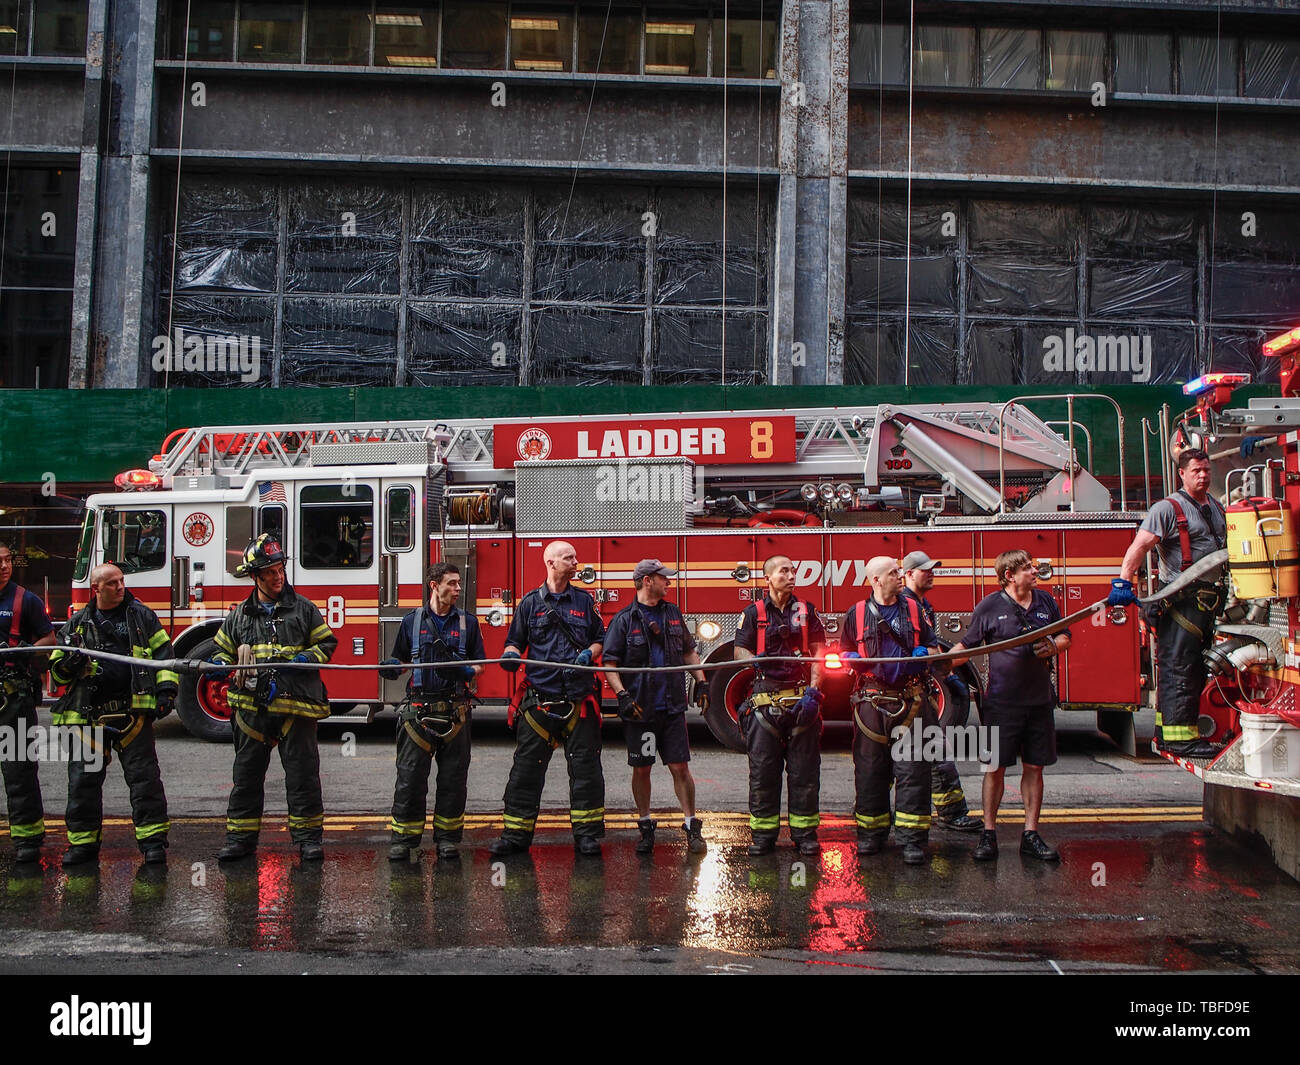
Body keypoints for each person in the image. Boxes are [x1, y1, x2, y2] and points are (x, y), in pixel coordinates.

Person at [211, 534, 336, 862]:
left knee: (303, 775)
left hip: (297, 706)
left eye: (280, 569)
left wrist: (307, 659)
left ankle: (308, 840)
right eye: (269, 572)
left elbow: (326, 644)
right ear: (255, 577)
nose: (278, 576)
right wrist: (221, 666)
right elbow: (222, 651)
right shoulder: (239, 615)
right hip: (252, 709)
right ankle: (240, 840)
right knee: (246, 777)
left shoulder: (305, 609)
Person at [48, 562, 177, 866]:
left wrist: (166, 691)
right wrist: (69, 665)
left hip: (132, 714)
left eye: (121, 581)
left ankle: (153, 844)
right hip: (89, 716)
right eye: (112, 583)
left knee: (145, 782)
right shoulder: (78, 624)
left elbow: (164, 656)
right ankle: (82, 845)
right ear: (96, 589)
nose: (120, 587)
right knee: (83, 783)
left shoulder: (142, 617)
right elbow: (57, 672)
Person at [951, 549, 1071, 862]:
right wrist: (940, 662)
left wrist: (1052, 646)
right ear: (1010, 575)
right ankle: (988, 834)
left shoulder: (1045, 602)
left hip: (1039, 701)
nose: (1035, 571)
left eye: (1033, 565)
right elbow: (967, 644)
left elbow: (1065, 637)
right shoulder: (989, 606)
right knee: (995, 768)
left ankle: (1030, 834)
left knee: (1035, 767)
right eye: (1028, 568)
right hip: (1001, 703)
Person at [489, 540, 606, 858]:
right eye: (569, 558)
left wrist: (589, 653)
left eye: (575, 557)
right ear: (551, 563)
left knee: (586, 772)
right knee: (526, 771)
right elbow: (514, 641)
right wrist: (510, 656)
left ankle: (587, 837)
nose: (576, 561)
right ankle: (515, 836)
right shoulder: (529, 604)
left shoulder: (585, 601)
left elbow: (601, 638)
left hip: (578, 700)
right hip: (540, 702)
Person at [1109, 447, 1226, 758]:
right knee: (1181, 669)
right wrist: (1123, 581)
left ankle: (1166, 733)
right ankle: (1178, 740)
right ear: (1181, 475)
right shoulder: (1168, 509)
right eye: (1196, 471)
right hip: (1180, 602)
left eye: (1206, 470)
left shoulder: (1215, 507)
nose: (1203, 475)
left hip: (1206, 602)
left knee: (1193, 669)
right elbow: (1138, 547)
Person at [602, 559, 709, 855]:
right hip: (641, 710)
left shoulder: (672, 613)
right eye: (664, 578)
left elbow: (688, 651)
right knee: (642, 768)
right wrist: (622, 695)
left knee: (680, 767)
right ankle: (646, 826)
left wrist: (701, 681)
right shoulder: (624, 620)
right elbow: (609, 663)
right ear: (648, 580)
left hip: (672, 708)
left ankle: (691, 826)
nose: (669, 582)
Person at [381, 561, 484, 862]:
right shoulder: (411, 622)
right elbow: (400, 659)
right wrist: (392, 668)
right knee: (410, 779)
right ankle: (404, 839)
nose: (458, 589)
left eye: (458, 583)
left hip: (456, 711)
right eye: (451, 583)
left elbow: (481, 665)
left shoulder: (469, 623)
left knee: (453, 780)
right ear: (434, 586)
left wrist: (468, 671)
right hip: (417, 712)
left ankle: (448, 840)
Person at [839, 556, 938, 865]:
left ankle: (911, 840)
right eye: (893, 572)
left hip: (911, 700)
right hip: (871, 704)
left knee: (913, 771)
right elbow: (841, 654)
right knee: (869, 770)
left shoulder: (915, 610)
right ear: (876, 580)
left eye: (899, 571)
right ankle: (871, 834)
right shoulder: (855, 614)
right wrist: (850, 658)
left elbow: (934, 649)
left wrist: (925, 655)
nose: (899, 576)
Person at [733, 555, 826, 856]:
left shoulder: (806, 611)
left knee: (805, 773)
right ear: (768, 579)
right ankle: (762, 837)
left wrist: (813, 693)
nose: (791, 574)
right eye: (783, 570)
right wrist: (754, 661)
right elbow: (739, 651)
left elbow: (819, 653)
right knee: (763, 773)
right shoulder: (753, 613)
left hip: (801, 704)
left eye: (793, 569)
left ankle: (805, 835)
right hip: (764, 704)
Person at [899, 551, 983, 832]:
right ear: (908, 574)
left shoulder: (922, 605)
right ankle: (951, 813)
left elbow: (931, 647)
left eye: (932, 568)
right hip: (906, 695)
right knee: (934, 753)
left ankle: (872, 815)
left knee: (917, 753)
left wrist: (943, 673)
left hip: (919, 692)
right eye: (925, 570)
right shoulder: (903, 606)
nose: (931, 573)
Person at [0, 541, 56, 862]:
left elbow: (49, 639)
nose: (5, 566)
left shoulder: (26, 600)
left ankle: (27, 841)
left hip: (13, 700)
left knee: (19, 770)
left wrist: (24, 651)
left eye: (8, 560)